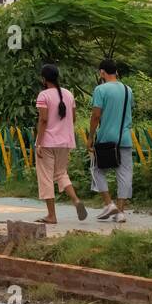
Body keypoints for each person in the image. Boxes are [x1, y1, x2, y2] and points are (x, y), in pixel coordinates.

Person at [34, 63, 87, 223]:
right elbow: (74, 118)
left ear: (44, 79)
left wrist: (39, 142)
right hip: (65, 141)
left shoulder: (43, 96)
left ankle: (51, 215)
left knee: (46, 177)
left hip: (48, 141)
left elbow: (43, 120)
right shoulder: (68, 94)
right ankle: (76, 200)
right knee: (61, 173)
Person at [88, 58, 133, 222]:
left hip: (106, 138)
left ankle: (109, 204)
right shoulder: (128, 90)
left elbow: (96, 116)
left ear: (102, 72)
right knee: (125, 173)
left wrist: (90, 137)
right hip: (125, 138)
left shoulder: (100, 89)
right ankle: (120, 212)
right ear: (116, 72)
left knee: (97, 170)